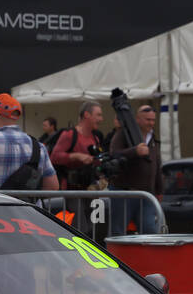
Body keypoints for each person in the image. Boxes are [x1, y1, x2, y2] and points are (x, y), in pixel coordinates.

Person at [50, 100, 107, 239]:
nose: (101, 119)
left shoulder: (96, 137)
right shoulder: (70, 135)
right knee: (80, 229)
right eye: (98, 115)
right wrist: (76, 156)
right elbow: (54, 157)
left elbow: (97, 160)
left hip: (90, 190)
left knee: (91, 228)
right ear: (87, 115)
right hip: (72, 190)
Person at [108, 103, 164, 235]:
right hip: (124, 192)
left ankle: (149, 256)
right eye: (148, 119)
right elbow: (113, 154)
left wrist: (159, 190)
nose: (151, 123)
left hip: (146, 195)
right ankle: (113, 255)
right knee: (118, 231)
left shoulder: (153, 140)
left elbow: (157, 167)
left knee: (150, 230)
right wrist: (135, 151)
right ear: (138, 119)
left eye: (153, 120)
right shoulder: (123, 133)